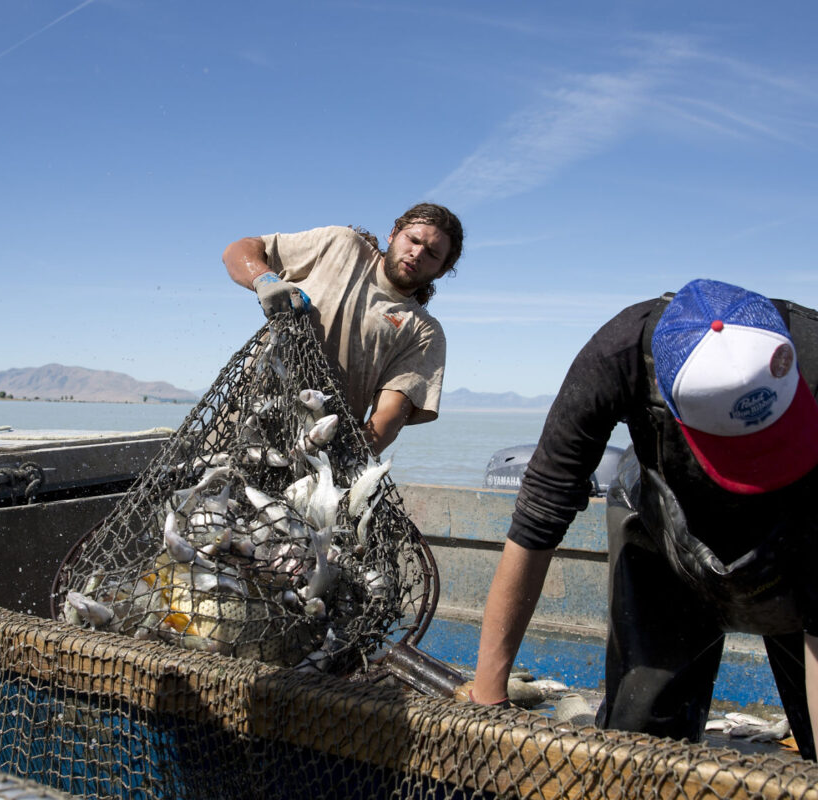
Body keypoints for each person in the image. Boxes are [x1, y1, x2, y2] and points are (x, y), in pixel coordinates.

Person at [469, 278, 818, 760]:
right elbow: (538, 518)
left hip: (800, 537)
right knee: (642, 745)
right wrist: (488, 694)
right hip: (664, 537)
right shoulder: (620, 354)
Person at [222, 203, 464, 455]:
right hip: (242, 419)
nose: (417, 253)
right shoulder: (341, 245)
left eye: (433, 254)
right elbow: (238, 250)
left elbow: (389, 415)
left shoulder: (424, 332)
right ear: (393, 233)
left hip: (316, 450)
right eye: (412, 239)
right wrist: (264, 279)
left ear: (442, 270)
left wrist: (344, 460)